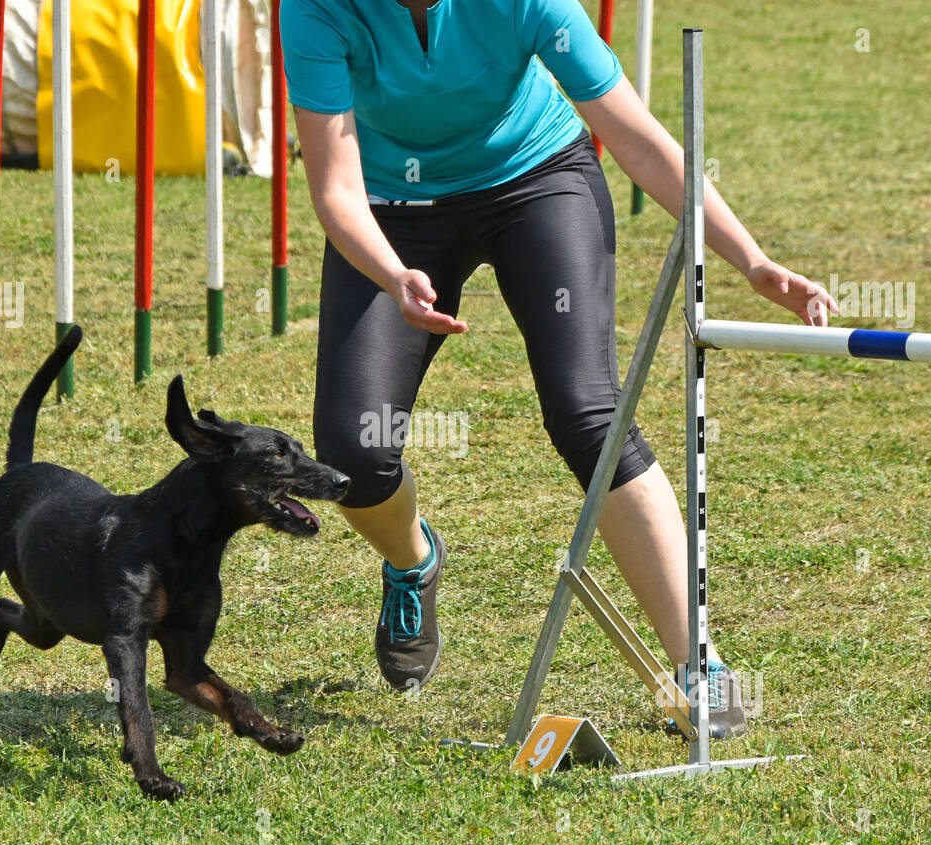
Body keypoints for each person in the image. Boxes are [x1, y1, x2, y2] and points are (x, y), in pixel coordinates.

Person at [281, 0, 837, 737]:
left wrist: (752, 258)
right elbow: (335, 189)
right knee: (350, 449)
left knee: (589, 414)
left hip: (534, 178)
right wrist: (393, 274)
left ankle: (696, 666)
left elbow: (636, 140)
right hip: (393, 208)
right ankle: (413, 561)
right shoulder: (314, 8)